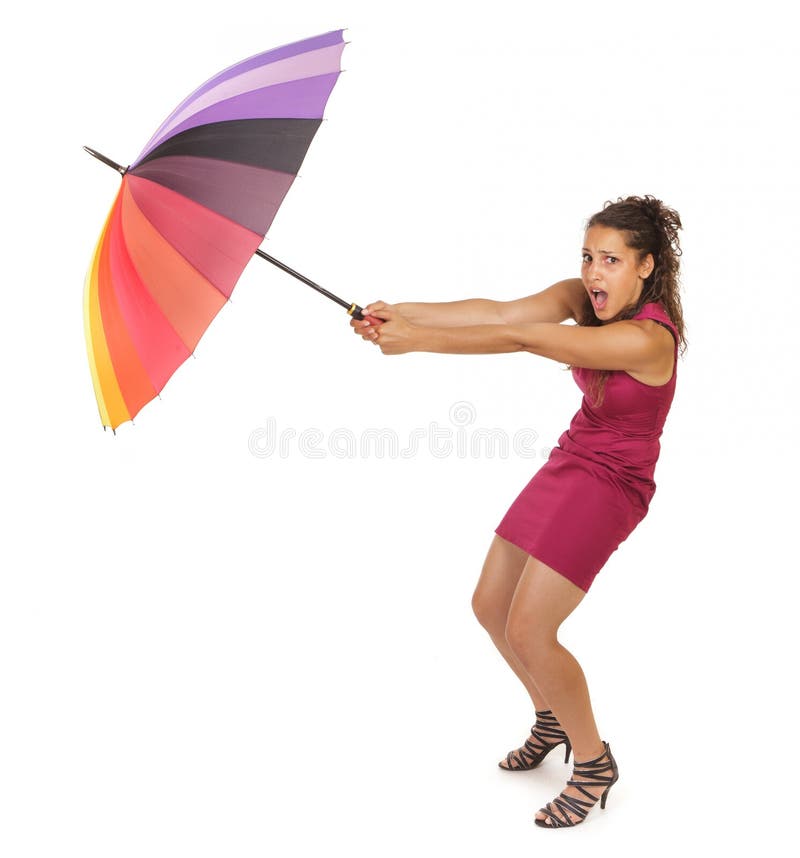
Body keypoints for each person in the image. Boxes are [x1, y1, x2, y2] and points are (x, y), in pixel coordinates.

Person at [350, 195, 685, 829]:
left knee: (532, 629)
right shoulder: (585, 299)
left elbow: (521, 336)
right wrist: (400, 311)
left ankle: (593, 762)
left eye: (611, 260)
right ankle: (551, 715)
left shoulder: (644, 339)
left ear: (645, 266)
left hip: (614, 483)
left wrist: (416, 344)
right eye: (588, 256)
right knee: (488, 604)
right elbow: (499, 309)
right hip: (573, 457)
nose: (594, 273)